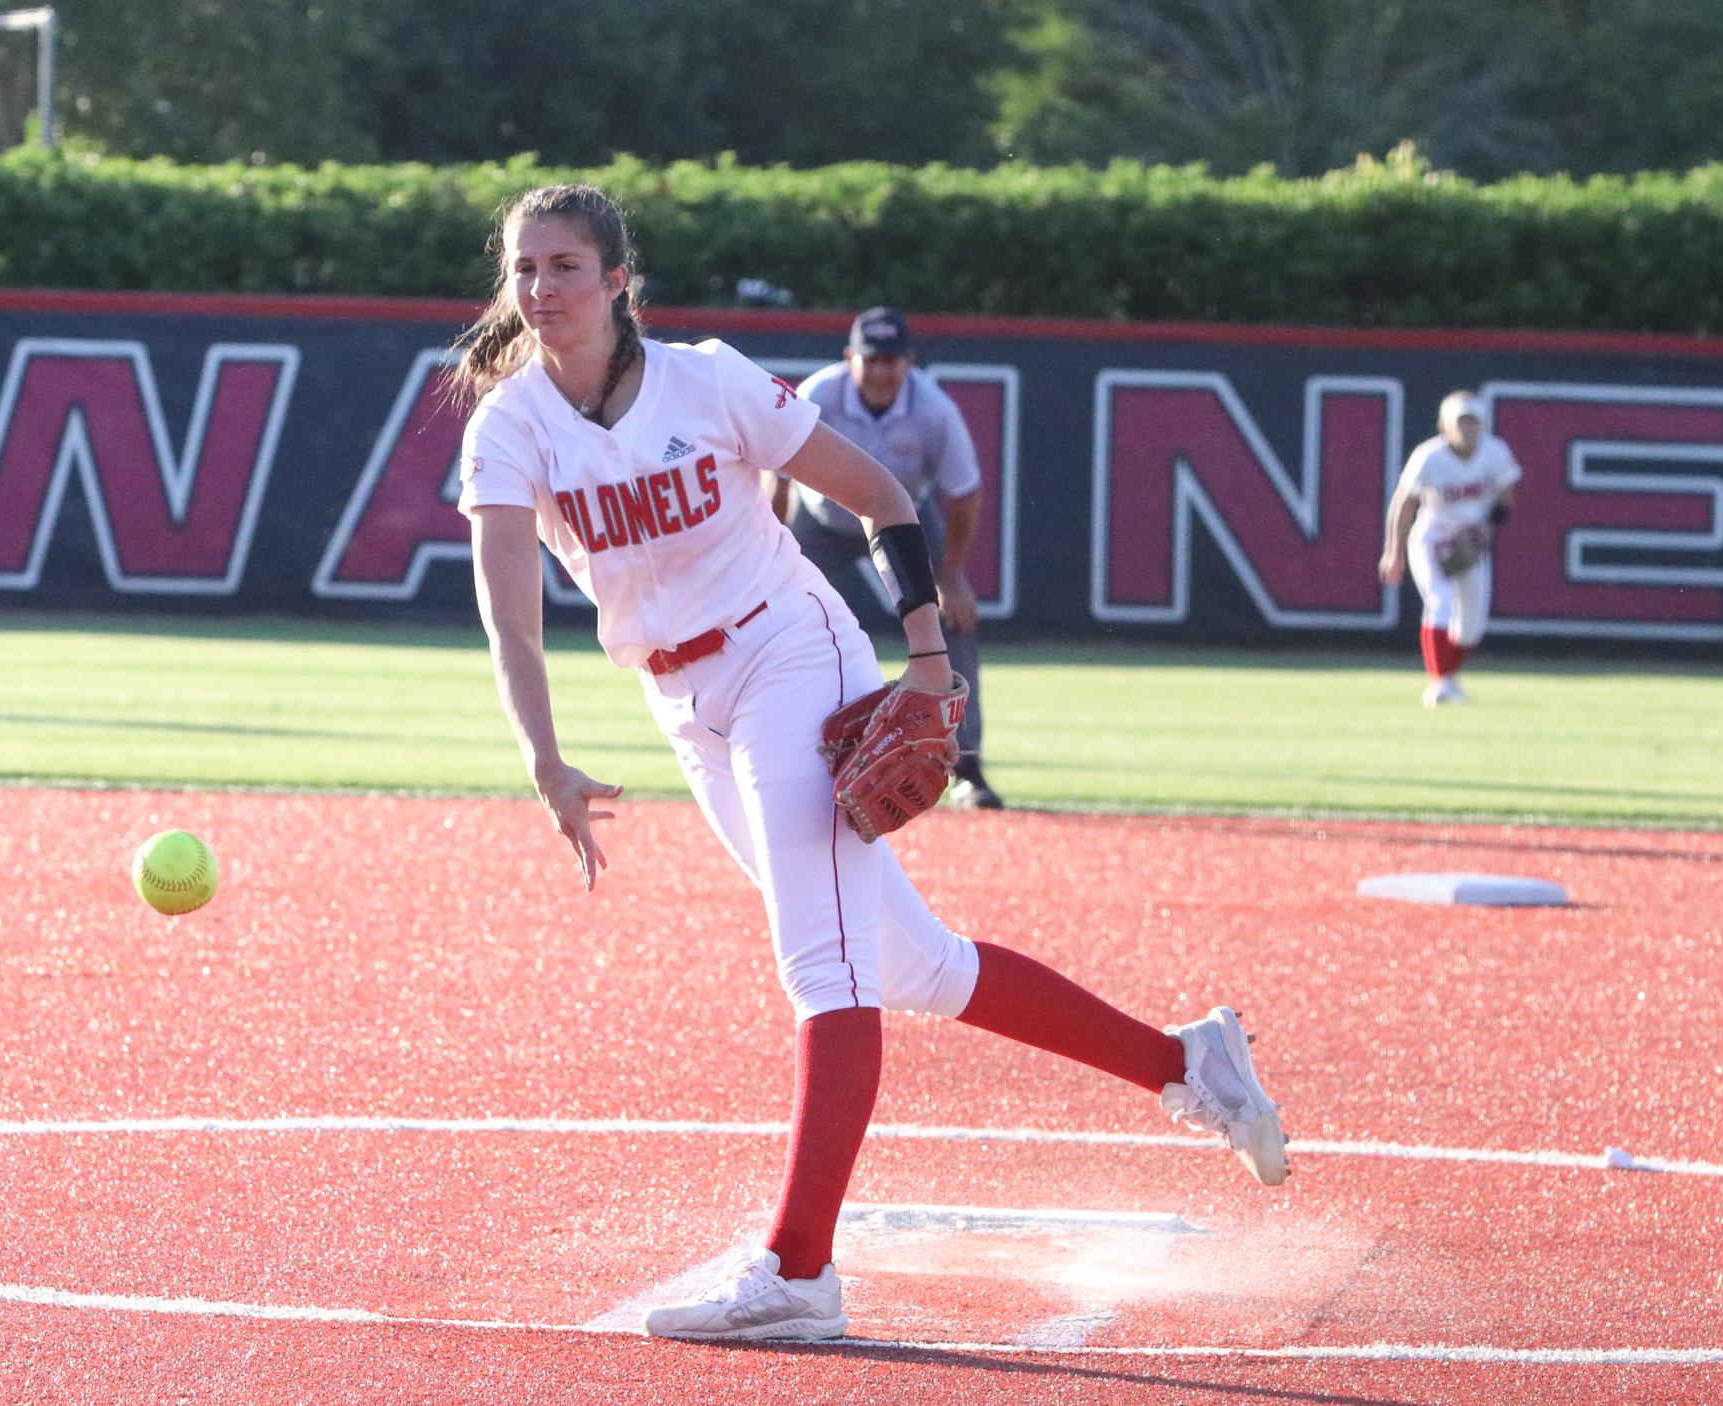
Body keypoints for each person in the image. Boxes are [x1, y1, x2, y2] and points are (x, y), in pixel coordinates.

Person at [451, 184, 1289, 1344]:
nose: (541, 289)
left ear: (617, 280)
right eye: (524, 269)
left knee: (822, 962)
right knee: (914, 963)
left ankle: (798, 1269)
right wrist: (541, 754)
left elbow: (881, 494)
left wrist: (930, 650)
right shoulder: (509, 424)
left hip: (791, 652)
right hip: (682, 701)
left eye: (564, 266)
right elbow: (511, 615)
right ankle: (1187, 1061)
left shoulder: (708, 379)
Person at [779, 308, 1004, 809]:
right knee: (769, 616)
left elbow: (964, 494)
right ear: (849, 359)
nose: (881, 371)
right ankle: (782, 751)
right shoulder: (817, 394)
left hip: (903, 522)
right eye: (871, 359)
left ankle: (967, 765)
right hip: (823, 522)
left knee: (955, 620)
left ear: (909, 363)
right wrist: (771, 543)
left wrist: (950, 578)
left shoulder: (934, 410)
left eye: (892, 360)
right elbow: (773, 476)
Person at [1379, 390, 1521, 707]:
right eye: (1461, 421)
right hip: (1431, 540)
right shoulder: (1429, 456)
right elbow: (1403, 505)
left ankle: (1448, 678)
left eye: (1473, 421)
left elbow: (1505, 496)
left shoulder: (1495, 452)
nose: (1467, 428)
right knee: (1439, 603)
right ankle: (1439, 683)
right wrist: (1394, 552)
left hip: (1470, 541)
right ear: (1445, 425)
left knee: (1471, 626)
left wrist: (1488, 527)